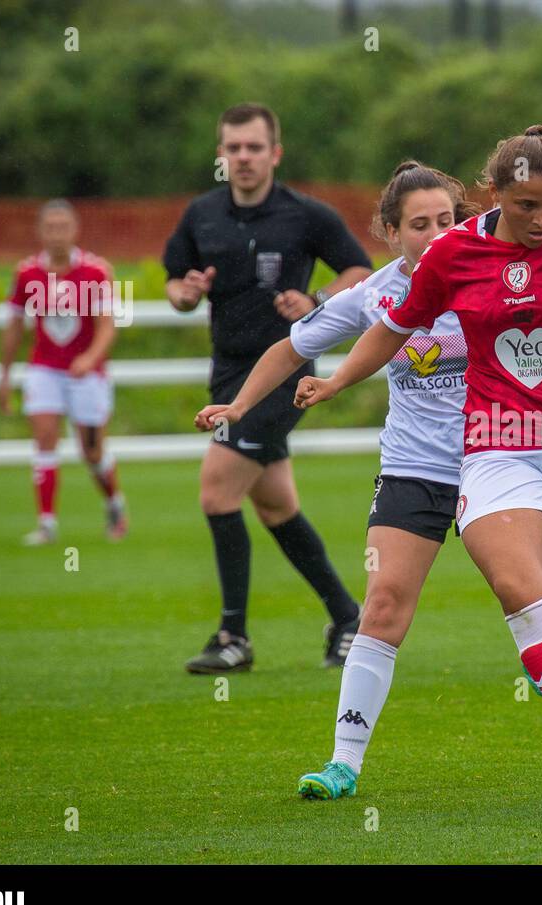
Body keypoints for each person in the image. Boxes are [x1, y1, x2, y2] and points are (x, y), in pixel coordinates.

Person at [195, 160, 542, 801]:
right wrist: (251, 404)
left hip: (523, 450)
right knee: (387, 604)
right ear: (390, 232)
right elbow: (309, 346)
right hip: (433, 467)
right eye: (419, 224)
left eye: (446, 218)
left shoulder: (492, 266)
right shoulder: (386, 291)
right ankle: (343, 762)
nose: (436, 232)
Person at [163, 102, 374, 673]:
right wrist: (186, 292)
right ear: (220, 154)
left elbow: (360, 272)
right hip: (227, 371)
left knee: (216, 490)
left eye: (254, 147)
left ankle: (233, 636)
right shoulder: (201, 216)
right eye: (233, 148)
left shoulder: (306, 216)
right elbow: (176, 289)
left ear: (275, 153)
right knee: (277, 506)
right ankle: (347, 616)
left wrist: (317, 302)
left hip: (283, 375)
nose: (244, 157)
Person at [0, 199, 126, 546]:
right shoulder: (26, 274)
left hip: (87, 374)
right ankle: (47, 523)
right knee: (44, 437)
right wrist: (5, 376)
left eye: (63, 227)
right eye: (50, 228)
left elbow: (108, 327)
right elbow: (13, 326)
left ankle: (114, 502)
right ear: (40, 232)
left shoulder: (96, 272)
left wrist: (90, 358)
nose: (56, 235)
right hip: (44, 368)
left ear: (75, 230)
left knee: (92, 452)